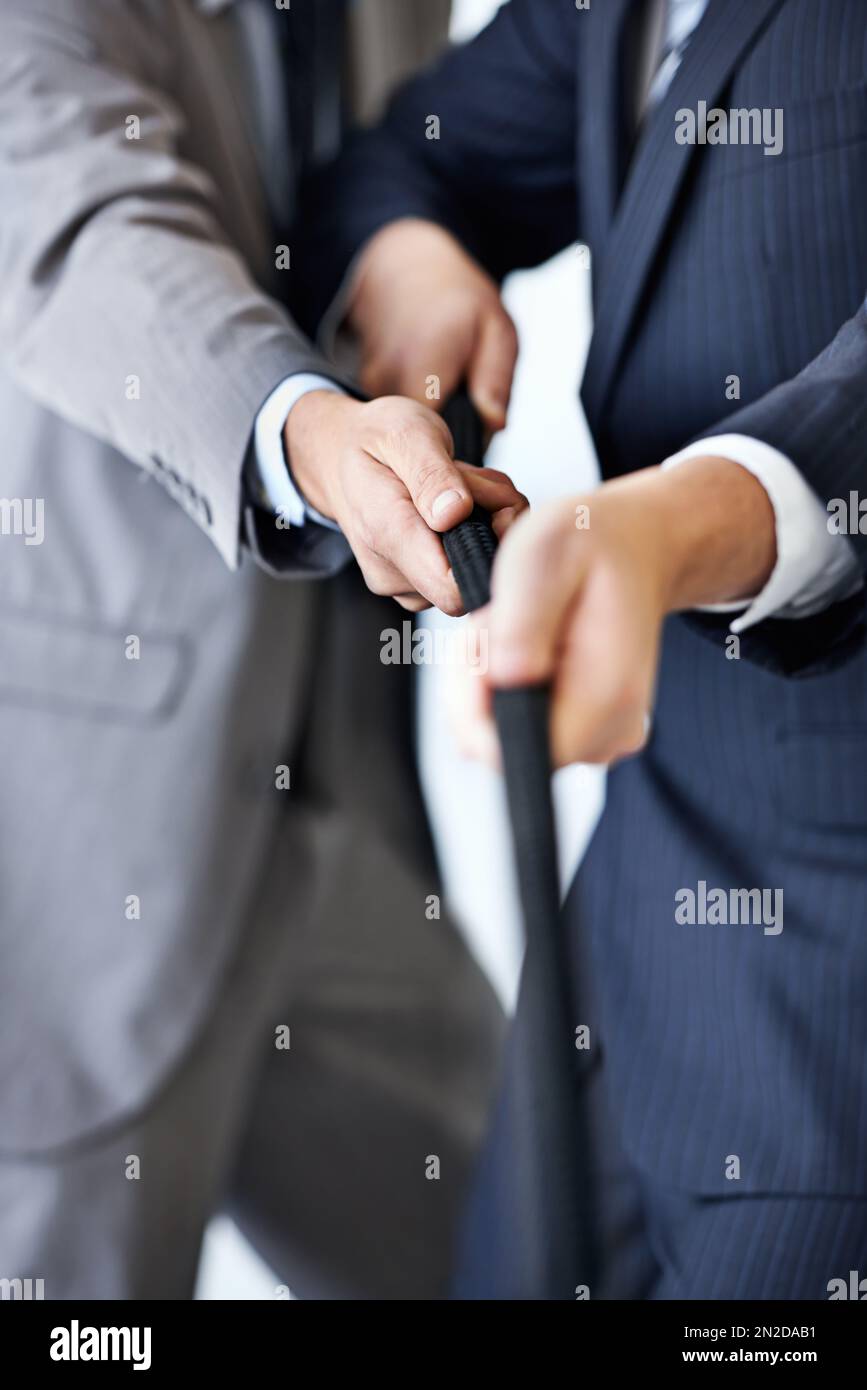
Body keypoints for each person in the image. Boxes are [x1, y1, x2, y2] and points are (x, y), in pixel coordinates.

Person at [297, 0, 867, 1297]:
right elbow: (400, 157)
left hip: (834, 1037)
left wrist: (668, 527)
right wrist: (416, 257)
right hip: (618, 957)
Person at [0, 0, 528, 1300]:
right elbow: (82, 226)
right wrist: (310, 440)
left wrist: (405, 255)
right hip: (86, 837)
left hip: (345, 808)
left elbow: (396, 159)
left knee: (536, 1249)